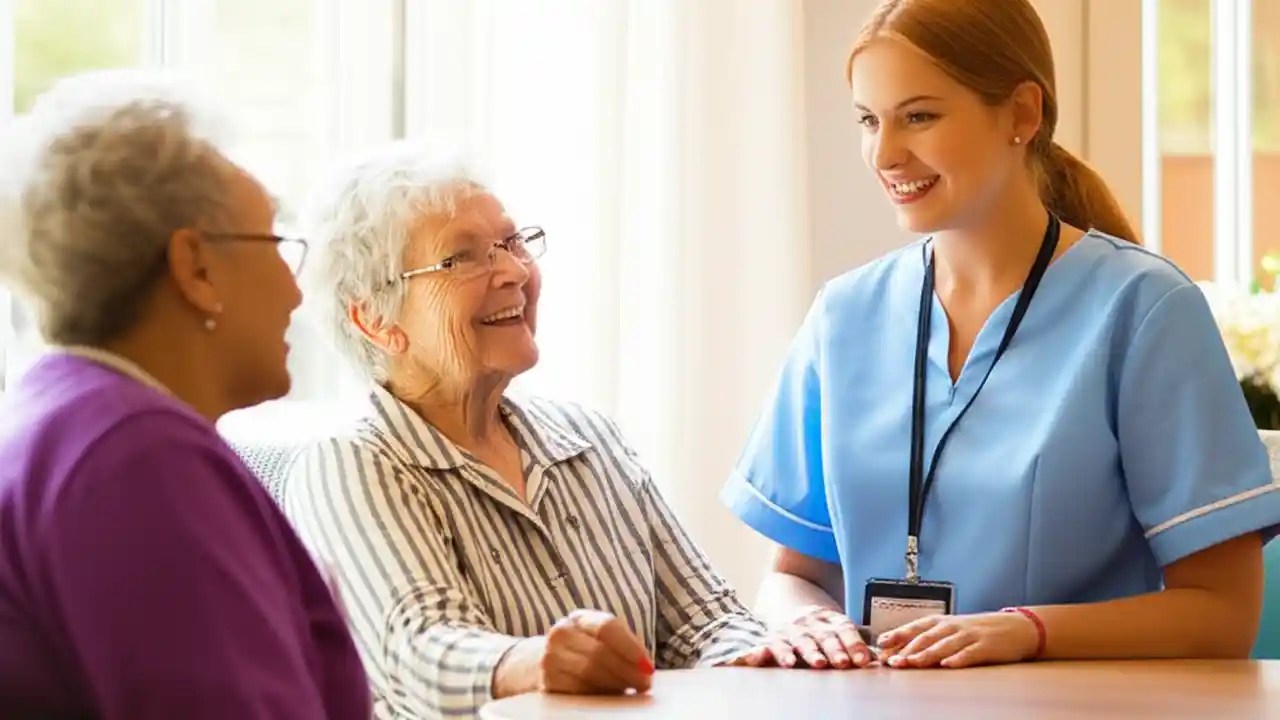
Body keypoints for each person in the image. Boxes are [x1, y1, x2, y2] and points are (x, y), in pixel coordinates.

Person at [722, 0, 1280, 671]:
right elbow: (792, 575)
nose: (885, 153)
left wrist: (1026, 632)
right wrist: (806, 622)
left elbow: (1222, 612)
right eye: (869, 120)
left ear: (1022, 113)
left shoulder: (1144, 309)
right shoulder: (843, 317)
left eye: (919, 116)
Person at [286, 142, 849, 719]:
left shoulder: (588, 438)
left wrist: (782, 652)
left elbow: (707, 622)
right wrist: (536, 661)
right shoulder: (351, 462)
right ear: (374, 318)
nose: (513, 271)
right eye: (461, 258)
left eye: (510, 243)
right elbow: (421, 650)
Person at [0, 71, 370, 718]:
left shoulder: (71, 420)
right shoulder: (137, 457)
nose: (295, 290)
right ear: (195, 268)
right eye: (277, 244)